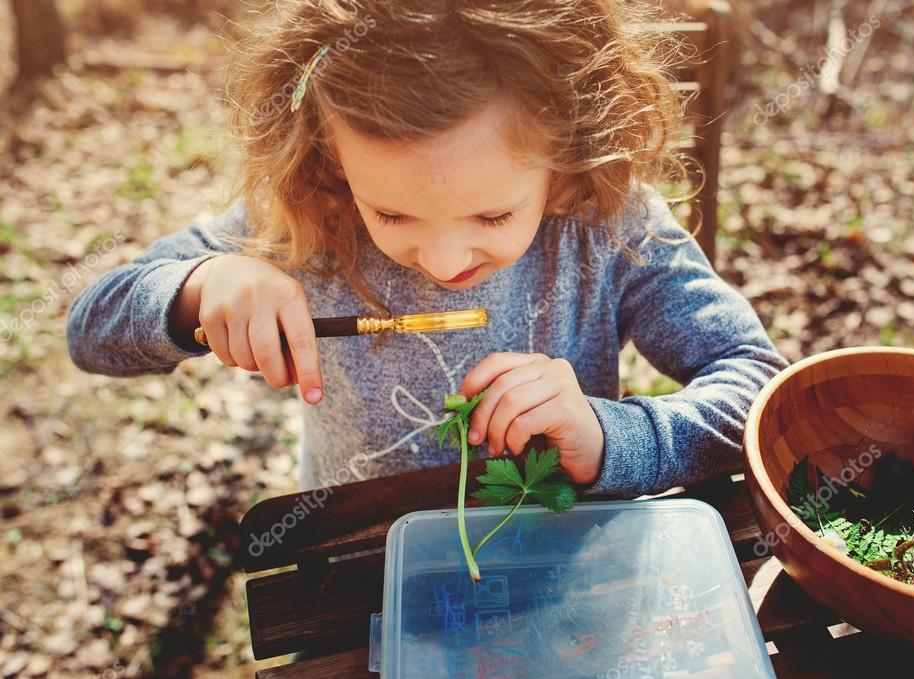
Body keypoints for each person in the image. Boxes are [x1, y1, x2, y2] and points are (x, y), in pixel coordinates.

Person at [66, 0, 789, 498]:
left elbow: (758, 389)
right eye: (392, 213)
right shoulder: (306, 215)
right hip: (357, 568)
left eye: (493, 212)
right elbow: (90, 326)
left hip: (568, 562)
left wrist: (611, 436)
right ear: (328, 154)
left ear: (567, 158)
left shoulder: (606, 222)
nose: (445, 263)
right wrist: (199, 285)